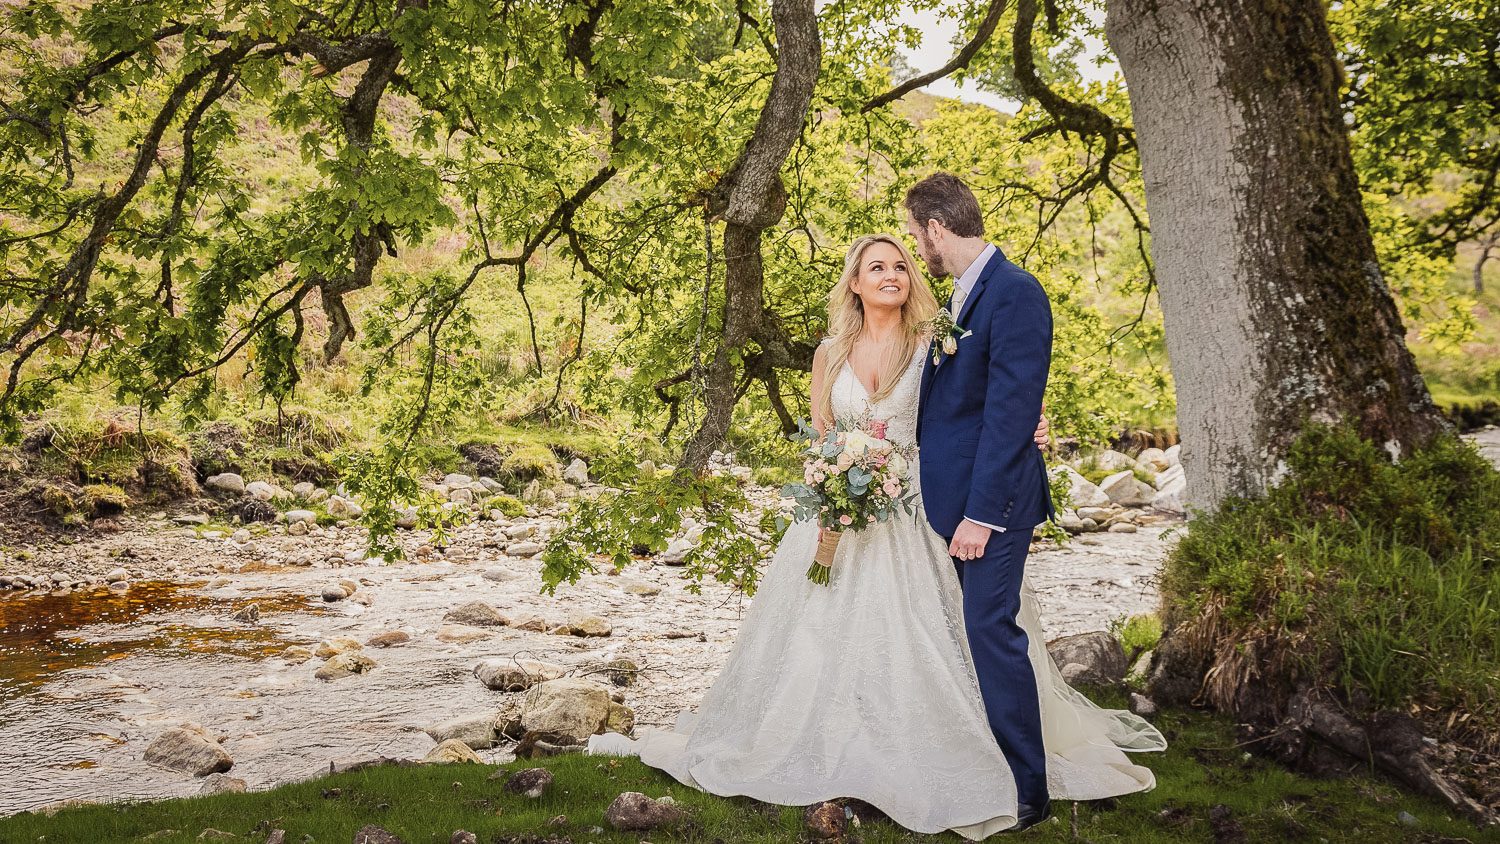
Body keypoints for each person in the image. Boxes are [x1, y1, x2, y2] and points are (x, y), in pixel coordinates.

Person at [588, 232, 1164, 839]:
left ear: (912, 279)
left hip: (918, 500)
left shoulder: (934, 343)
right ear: (856, 282)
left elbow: (983, 401)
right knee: (819, 631)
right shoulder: (829, 353)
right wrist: (834, 475)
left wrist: (1031, 426)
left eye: (900, 266)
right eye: (876, 267)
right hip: (840, 510)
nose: (891, 275)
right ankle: (825, 740)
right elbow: (823, 432)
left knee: (930, 629)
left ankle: (948, 744)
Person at [907, 172, 1057, 829]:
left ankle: (1028, 790)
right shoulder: (966, 296)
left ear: (937, 229)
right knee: (969, 633)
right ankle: (985, 767)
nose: (918, 250)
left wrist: (982, 513)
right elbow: (967, 403)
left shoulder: (1015, 292)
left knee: (990, 631)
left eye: (917, 236)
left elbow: (1007, 411)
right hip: (954, 498)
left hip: (990, 506)